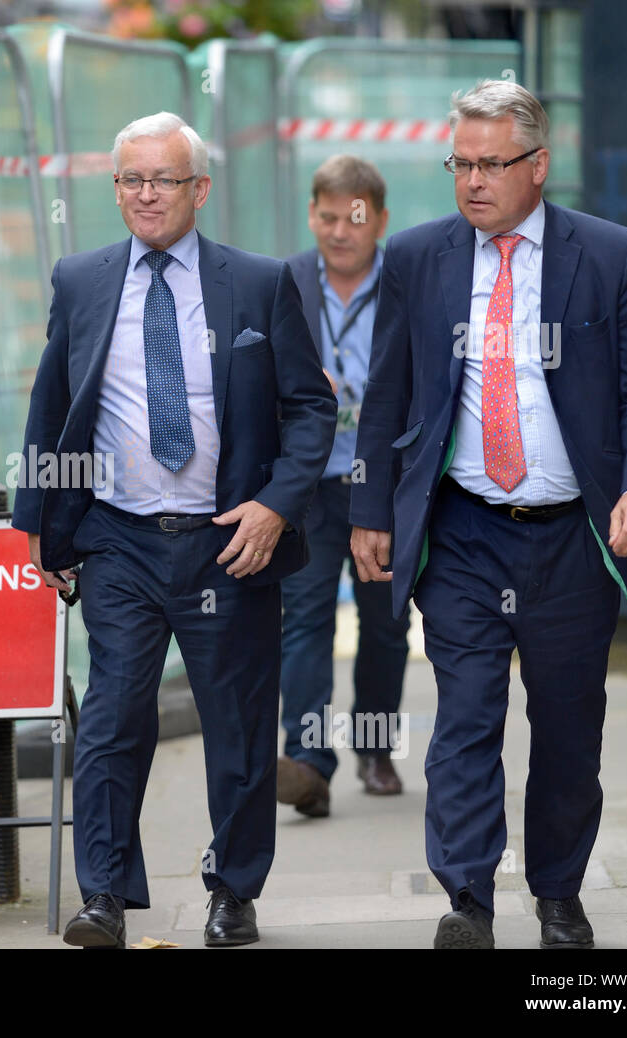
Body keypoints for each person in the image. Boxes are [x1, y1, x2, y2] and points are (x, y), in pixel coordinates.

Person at [348, 81, 627, 950]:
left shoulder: (609, 254)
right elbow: (385, 393)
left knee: (567, 729)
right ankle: (468, 900)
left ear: (538, 165)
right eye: (460, 163)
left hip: (572, 535)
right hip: (464, 531)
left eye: (491, 164)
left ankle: (559, 894)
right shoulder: (416, 257)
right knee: (465, 717)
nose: (472, 181)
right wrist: (370, 508)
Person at [12, 111, 336, 948]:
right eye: (131, 178)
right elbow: (53, 406)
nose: (146, 194)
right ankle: (104, 897)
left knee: (238, 726)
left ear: (200, 189)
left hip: (227, 542)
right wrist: (41, 524)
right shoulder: (81, 280)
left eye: (162, 179)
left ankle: (234, 892)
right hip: (118, 539)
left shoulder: (259, 283)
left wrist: (275, 505)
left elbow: (311, 409)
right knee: (114, 715)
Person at [277, 155, 411, 818]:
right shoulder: (286, 282)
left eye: (354, 219)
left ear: (380, 221)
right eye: (327, 217)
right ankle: (307, 762)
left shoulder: (408, 283)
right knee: (305, 620)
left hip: (381, 485)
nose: (339, 231)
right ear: (311, 215)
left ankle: (376, 749)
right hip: (309, 485)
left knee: (385, 624)